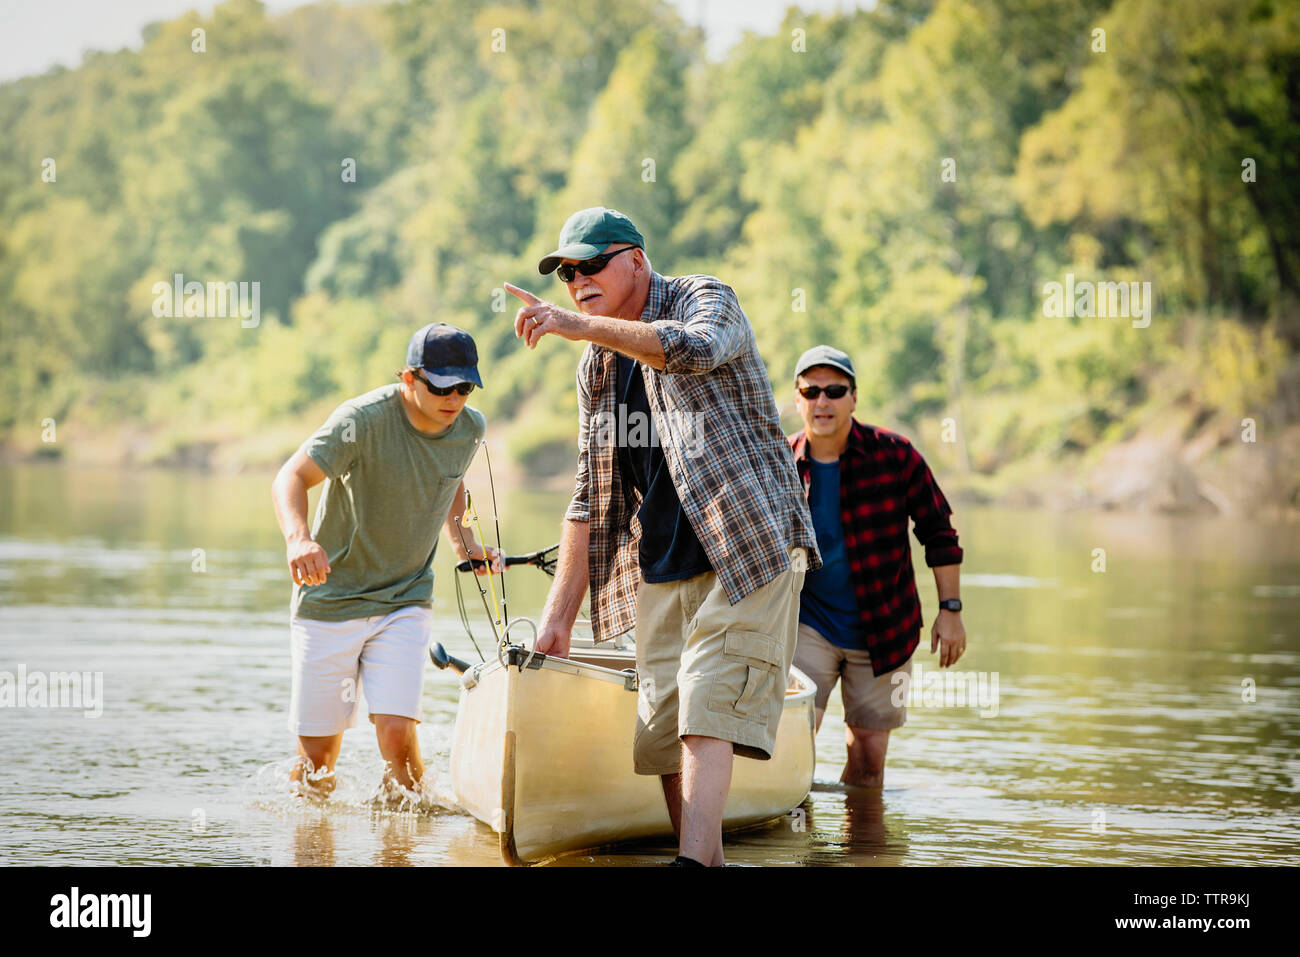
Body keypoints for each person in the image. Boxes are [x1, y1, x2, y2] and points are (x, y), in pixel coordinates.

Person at [505, 206, 820, 866]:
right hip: (664, 562)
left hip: (751, 543)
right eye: (566, 273)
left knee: (707, 698)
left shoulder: (708, 298)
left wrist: (574, 324)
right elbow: (590, 497)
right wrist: (559, 619)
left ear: (637, 262)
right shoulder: (596, 369)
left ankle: (695, 863)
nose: (577, 280)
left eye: (591, 264)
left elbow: (692, 349)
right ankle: (703, 859)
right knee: (661, 727)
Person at [270, 323, 501, 799]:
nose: (454, 398)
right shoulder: (361, 420)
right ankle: (313, 842)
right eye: (442, 386)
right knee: (317, 761)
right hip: (330, 599)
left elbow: (452, 481)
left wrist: (467, 546)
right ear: (410, 379)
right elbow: (290, 476)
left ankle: (403, 839)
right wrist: (299, 539)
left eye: (465, 386)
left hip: (405, 598)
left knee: (396, 734)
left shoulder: (469, 428)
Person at [787, 345, 966, 788]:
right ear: (798, 400)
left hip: (884, 626)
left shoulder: (896, 455)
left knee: (868, 757)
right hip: (807, 624)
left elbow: (939, 531)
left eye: (834, 390)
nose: (822, 401)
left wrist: (951, 610)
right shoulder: (780, 461)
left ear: (853, 398)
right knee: (791, 737)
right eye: (811, 391)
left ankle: (862, 849)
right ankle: (790, 835)